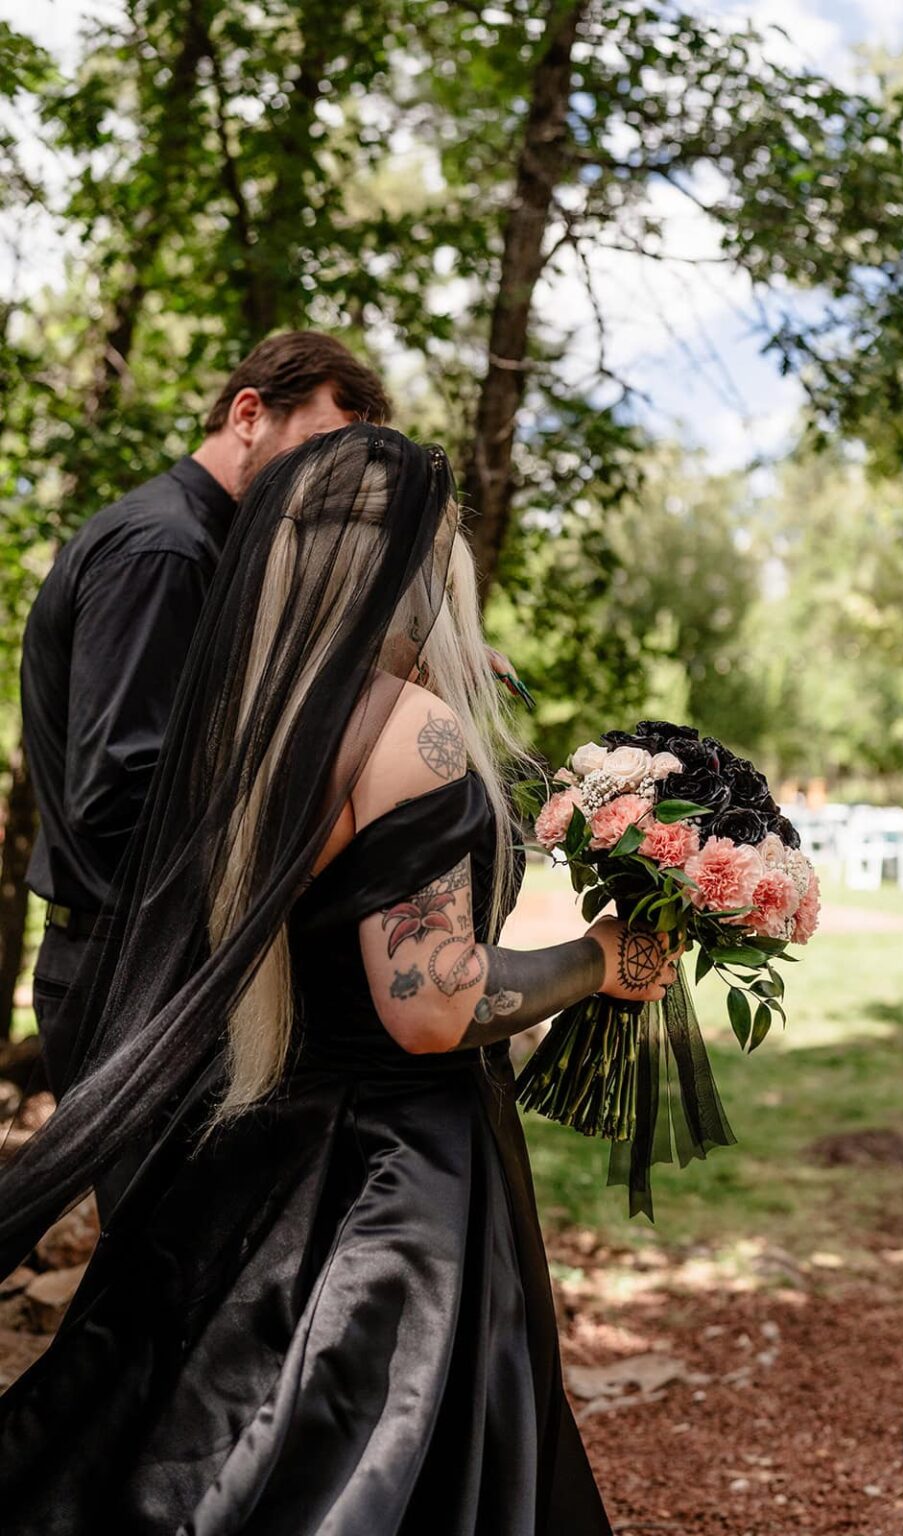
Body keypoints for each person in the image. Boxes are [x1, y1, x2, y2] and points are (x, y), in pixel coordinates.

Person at [0, 425, 678, 1533]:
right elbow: (432, 1008)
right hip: (393, 1178)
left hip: (262, 1143)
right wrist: (598, 959)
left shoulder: (251, 720)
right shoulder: (412, 734)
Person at [21, 331, 391, 1098]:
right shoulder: (165, 552)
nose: (324, 478)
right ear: (248, 413)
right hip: (125, 976)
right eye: (316, 445)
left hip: (154, 967)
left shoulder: (216, 549)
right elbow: (119, 798)